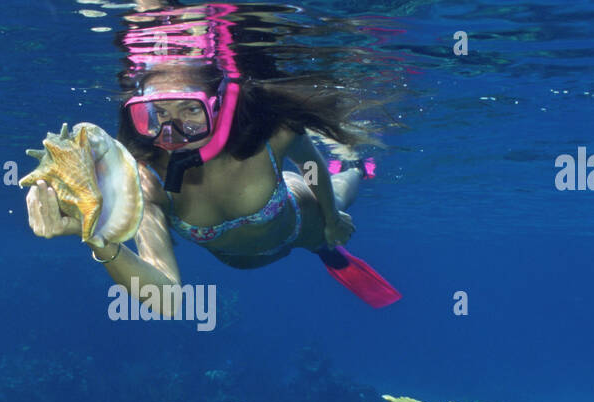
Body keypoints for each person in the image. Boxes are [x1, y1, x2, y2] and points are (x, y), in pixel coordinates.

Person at [25, 58, 400, 307]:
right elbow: (167, 300)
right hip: (249, 254)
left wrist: (333, 218)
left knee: (337, 187)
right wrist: (97, 239)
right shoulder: (147, 180)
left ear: (219, 106)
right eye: (156, 114)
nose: (172, 132)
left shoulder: (272, 133)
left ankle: (356, 170)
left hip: (305, 224)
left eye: (191, 110)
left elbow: (311, 166)